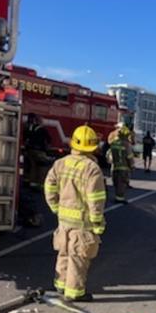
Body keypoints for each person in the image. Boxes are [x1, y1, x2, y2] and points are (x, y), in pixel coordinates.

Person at [43, 125, 107, 302]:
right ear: (94, 146)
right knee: (78, 258)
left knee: (63, 253)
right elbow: (96, 199)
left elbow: (49, 187)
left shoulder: (60, 163)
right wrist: (97, 223)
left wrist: (56, 208)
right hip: (82, 223)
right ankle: (75, 292)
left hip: (63, 220)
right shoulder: (92, 169)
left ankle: (61, 284)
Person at [23, 114, 52, 188]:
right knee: (41, 167)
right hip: (39, 151)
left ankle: (30, 181)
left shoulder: (31, 128)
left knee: (31, 166)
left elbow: (25, 137)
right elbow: (49, 139)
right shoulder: (42, 129)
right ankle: (39, 183)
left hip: (30, 150)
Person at [107, 125, 133, 203]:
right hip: (124, 168)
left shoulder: (114, 143)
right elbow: (129, 156)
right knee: (122, 184)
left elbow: (109, 155)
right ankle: (120, 199)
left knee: (116, 182)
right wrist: (132, 166)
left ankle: (117, 197)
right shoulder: (126, 144)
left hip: (115, 167)